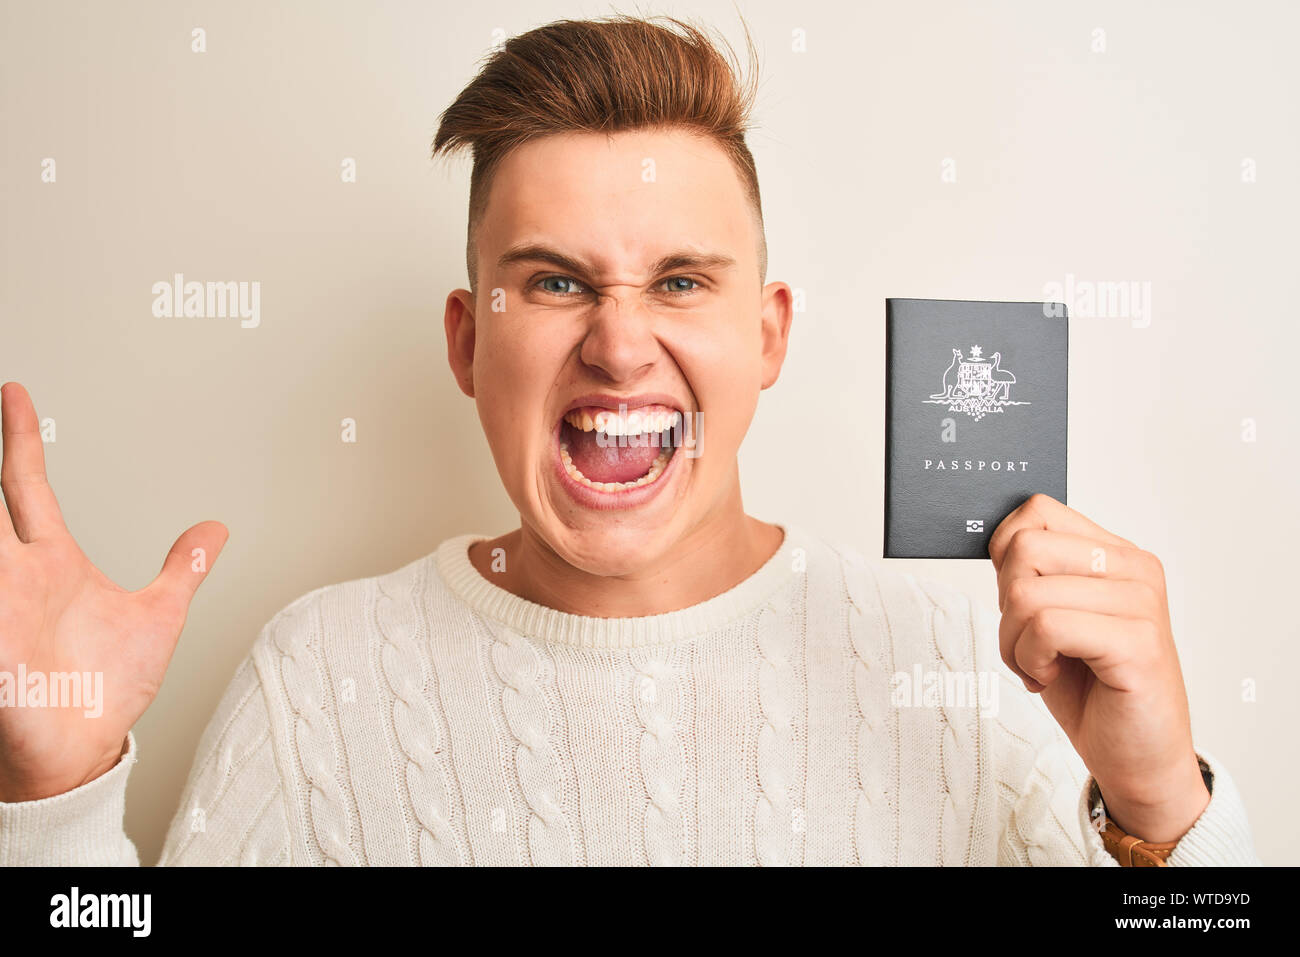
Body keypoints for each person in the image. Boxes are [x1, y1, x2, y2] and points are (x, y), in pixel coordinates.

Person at [0, 15, 1257, 866]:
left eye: (679, 283)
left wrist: (1162, 808)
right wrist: (53, 804)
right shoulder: (316, 683)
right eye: (551, 283)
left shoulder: (979, 666)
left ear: (767, 338)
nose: (615, 344)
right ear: (465, 341)